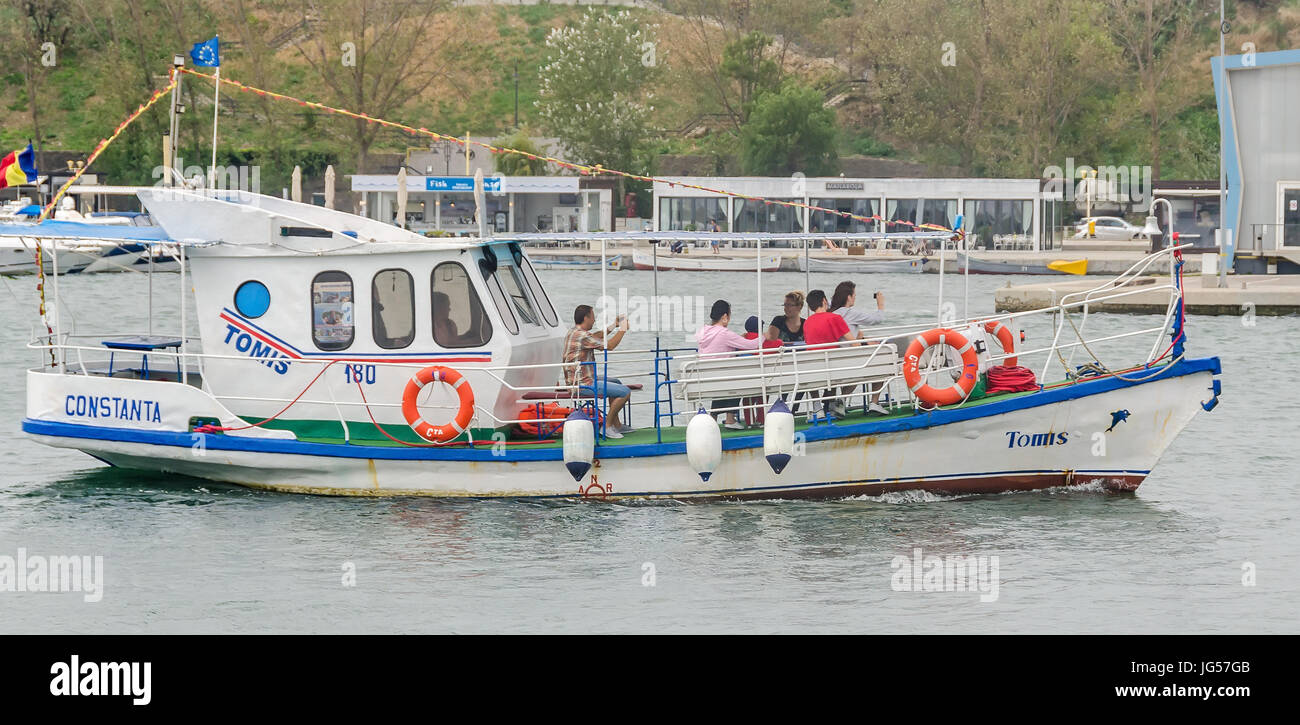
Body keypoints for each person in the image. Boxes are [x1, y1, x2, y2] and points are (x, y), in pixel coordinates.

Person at [563, 304, 633, 439]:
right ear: (586, 318)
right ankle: (606, 427)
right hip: (582, 385)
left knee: (616, 382)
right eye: (593, 317)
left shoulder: (574, 332)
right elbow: (610, 345)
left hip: (579, 380)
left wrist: (614, 325)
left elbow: (596, 336)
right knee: (625, 392)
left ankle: (616, 425)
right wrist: (623, 329)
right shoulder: (582, 336)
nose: (594, 321)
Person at [695, 299, 762, 429]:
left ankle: (713, 418)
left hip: (705, 378)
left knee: (724, 377)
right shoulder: (724, 333)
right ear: (725, 316)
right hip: (723, 378)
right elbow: (751, 345)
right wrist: (766, 336)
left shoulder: (703, 332)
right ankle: (730, 419)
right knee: (737, 378)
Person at [829, 281, 890, 416]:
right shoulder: (849, 313)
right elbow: (877, 319)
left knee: (857, 368)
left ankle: (842, 401)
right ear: (848, 297)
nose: (855, 297)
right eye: (854, 295)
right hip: (852, 359)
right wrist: (880, 304)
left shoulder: (831, 313)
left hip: (836, 359)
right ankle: (874, 401)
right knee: (882, 359)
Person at [802, 289, 858, 420]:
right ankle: (838, 402)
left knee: (815, 374)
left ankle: (817, 406)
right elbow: (853, 341)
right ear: (824, 301)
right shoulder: (834, 318)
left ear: (810, 306)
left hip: (812, 367)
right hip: (833, 366)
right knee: (856, 372)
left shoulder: (807, 322)